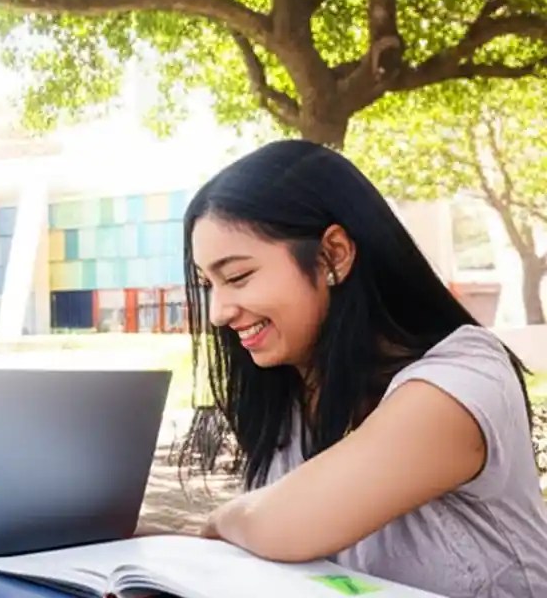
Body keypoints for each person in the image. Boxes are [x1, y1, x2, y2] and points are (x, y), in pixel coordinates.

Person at [181, 140, 547, 595]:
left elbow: (288, 524)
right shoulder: (292, 398)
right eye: (207, 284)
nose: (218, 312)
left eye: (237, 277)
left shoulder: (463, 381)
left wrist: (224, 519)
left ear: (333, 254)